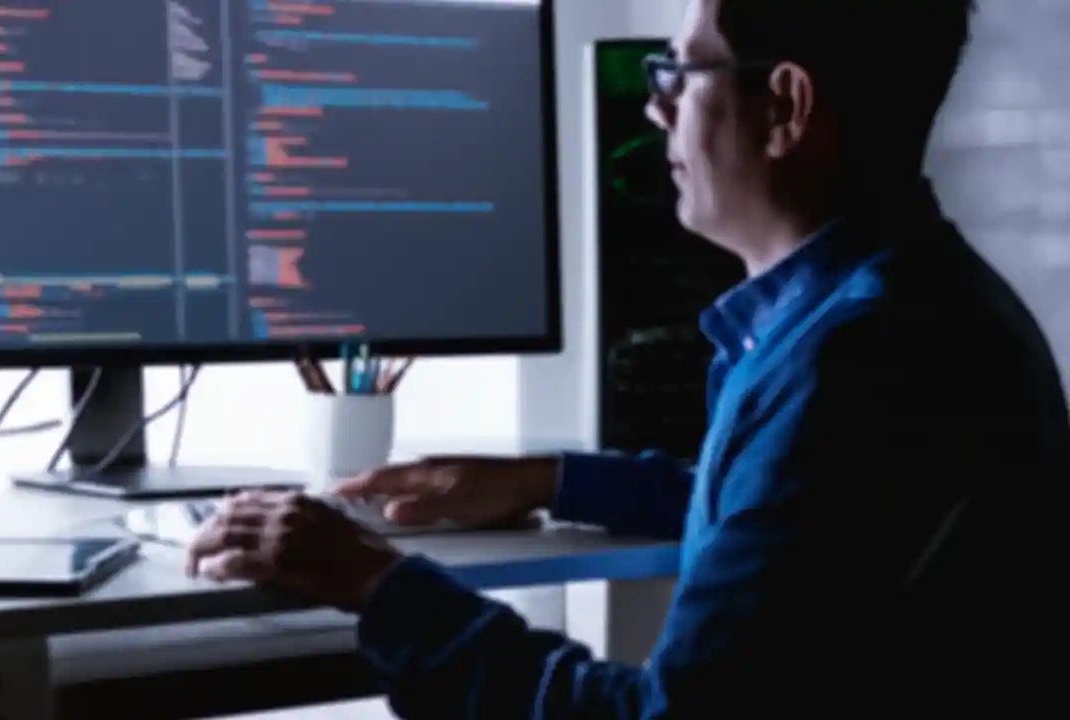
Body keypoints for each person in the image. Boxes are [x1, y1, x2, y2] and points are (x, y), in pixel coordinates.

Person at [187, 0, 1068, 716]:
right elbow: (784, 532)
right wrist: (549, 481)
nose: (656, 106)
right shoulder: (915, 308)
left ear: (787, 108)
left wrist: (375, 584)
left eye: (682, 74)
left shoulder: (853, 365)